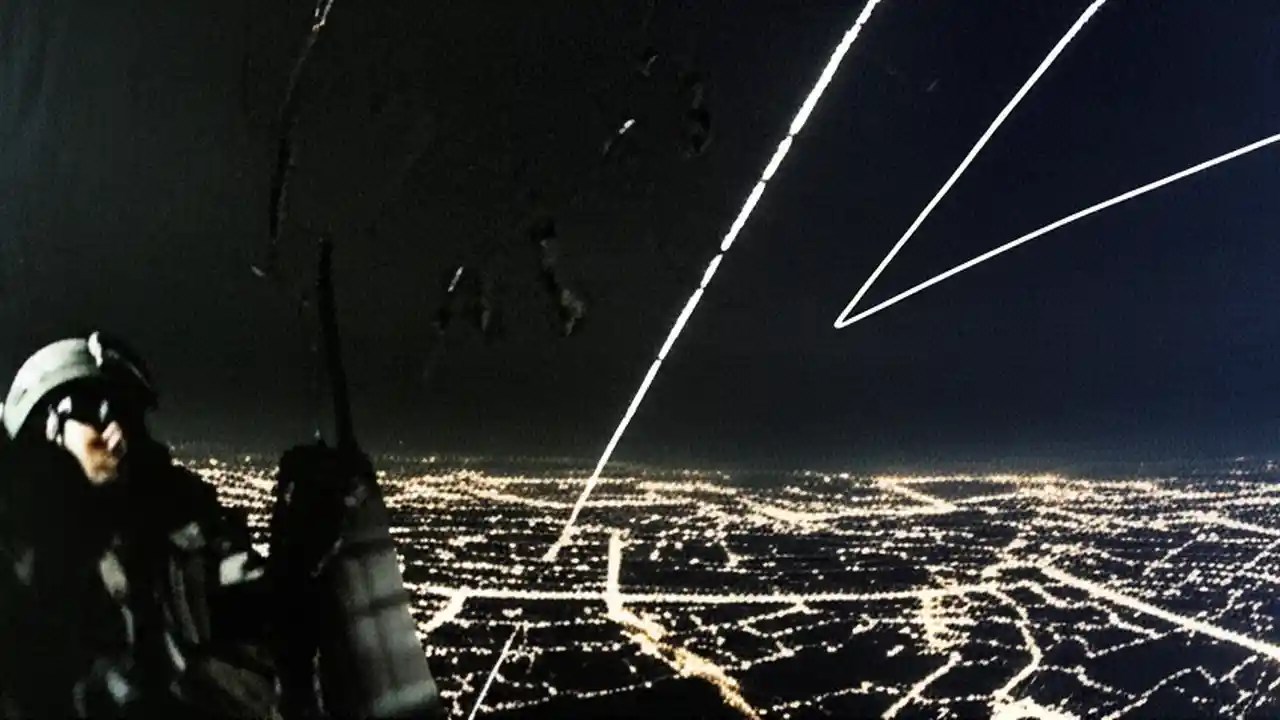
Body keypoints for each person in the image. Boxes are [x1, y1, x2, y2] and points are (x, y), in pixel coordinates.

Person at [0, 332, 280, 717]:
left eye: (122, 413)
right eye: (89, 411)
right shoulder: (25, 551)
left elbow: (255, 644)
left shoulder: (177, 522)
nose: (113, 432)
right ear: (44, 430)